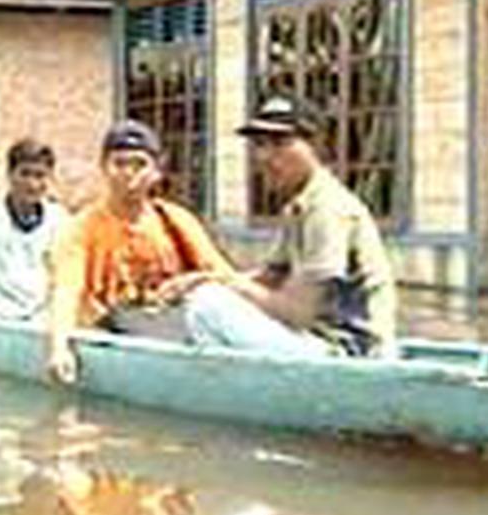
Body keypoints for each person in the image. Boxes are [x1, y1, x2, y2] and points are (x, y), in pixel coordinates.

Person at [158, 94, 398, 359]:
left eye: (281, 143)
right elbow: (271, 277)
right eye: (260, 144)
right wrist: (203, 279)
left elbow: (297, 312)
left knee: (206, 305)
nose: (265, 156)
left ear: (316, 145)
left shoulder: (327, 208)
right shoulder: (300, 205)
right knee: (204, 293)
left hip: (352, 353)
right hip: (322, 342)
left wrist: (224, 285)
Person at [45, 120, 237, 384]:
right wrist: (59, 348)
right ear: (104, 167)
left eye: (139, 164)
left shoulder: (174, 219)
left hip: (173, 324)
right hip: (112, 330)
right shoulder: (81, 227)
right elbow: (66, 291)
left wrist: (191, 281)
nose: (129, 174)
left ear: (156, 171)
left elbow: (227, 277)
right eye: (119, 164)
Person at [0, 139, 67, 323]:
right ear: (10, 174)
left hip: (42, 321)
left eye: (40, 176)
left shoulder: (59, 220)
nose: (32, 184)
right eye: (24, 174)